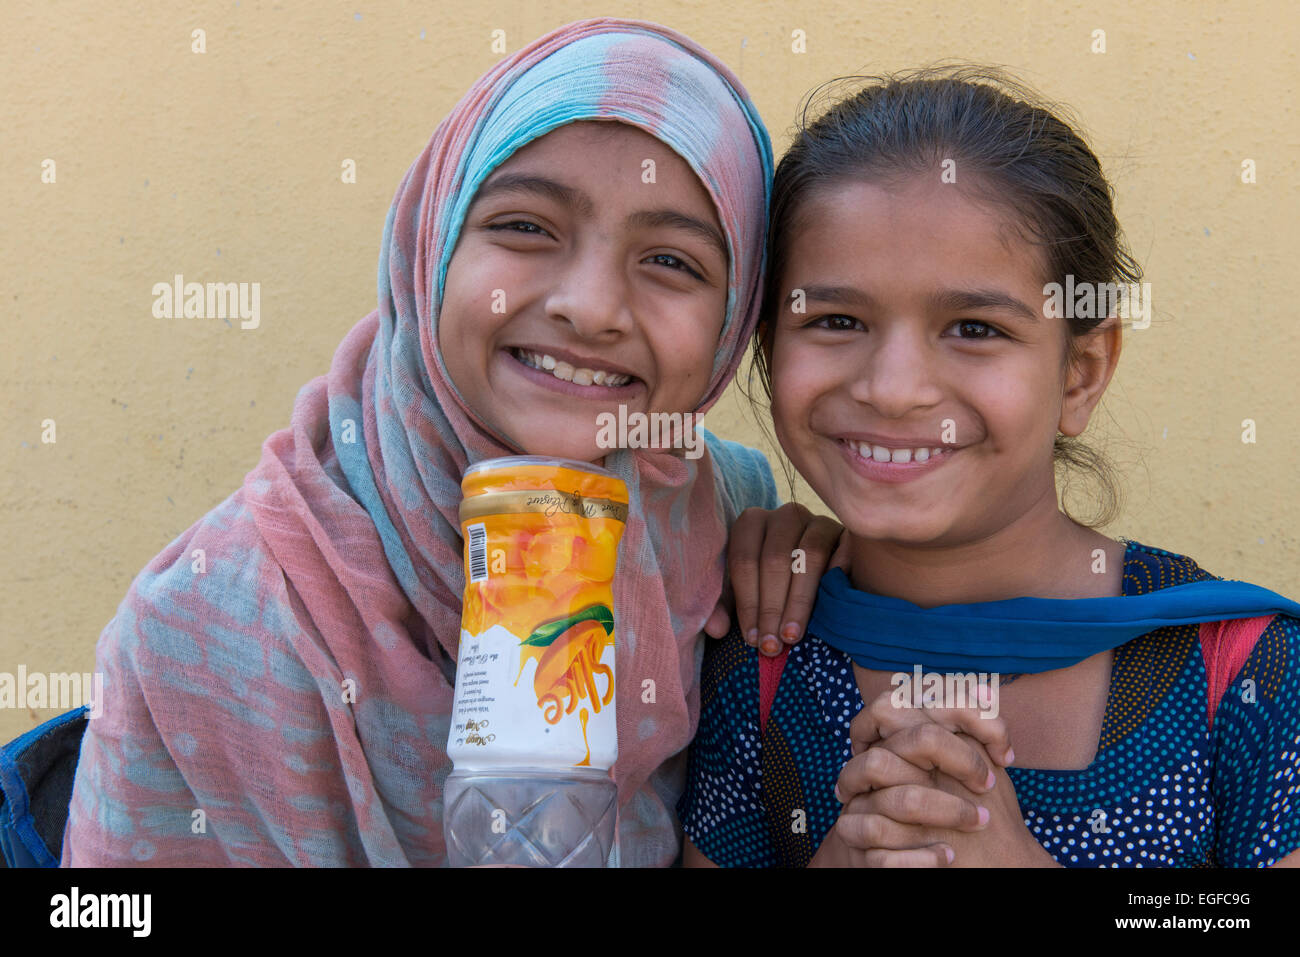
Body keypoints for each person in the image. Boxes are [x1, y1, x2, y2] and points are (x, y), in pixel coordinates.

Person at [60, 17, 843, 868]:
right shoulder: (205, 625)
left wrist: (825, 559)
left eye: (672, 263)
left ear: (735, 324)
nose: (591, 305)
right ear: (430, 244)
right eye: (526, 227)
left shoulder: (731, 526)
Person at [680, 66, 1300, 868]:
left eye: (973, 328)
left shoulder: (1241, 669)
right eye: (837, 319)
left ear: (1080, 370)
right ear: (769, 347)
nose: (894, 389)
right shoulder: (754, 656)